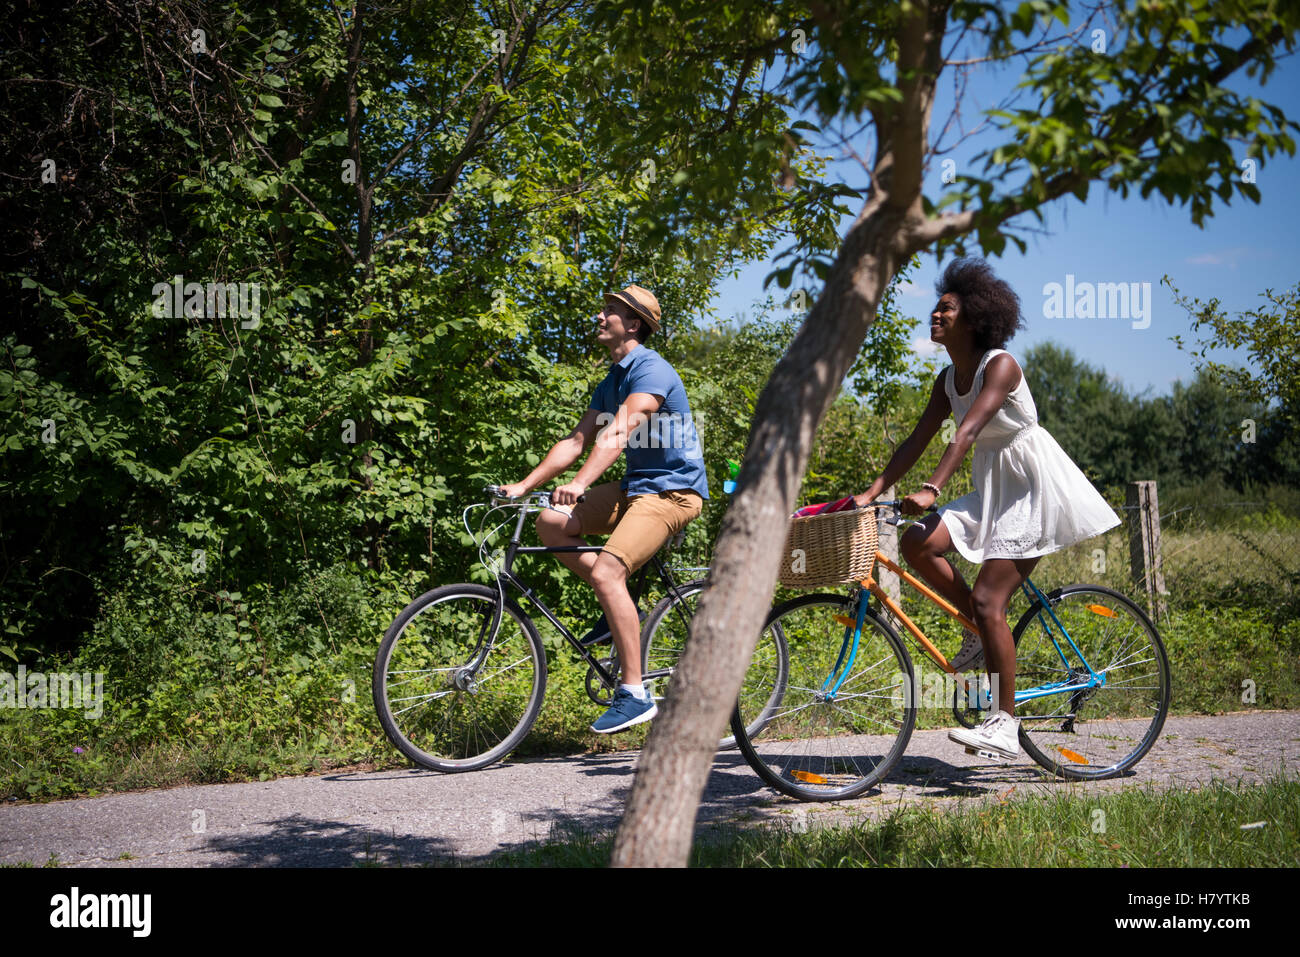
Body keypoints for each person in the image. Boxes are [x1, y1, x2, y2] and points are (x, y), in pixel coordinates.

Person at [853, 258, 1119, 759]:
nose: (935, 315)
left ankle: (1005, 724)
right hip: (993, 487)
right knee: (917, 541)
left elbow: (969, 430)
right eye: (935, 308)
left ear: (975, 317)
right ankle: (977, 631)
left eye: (946, 309)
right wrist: (872, 492)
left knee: (989, 600)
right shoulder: (947, 378)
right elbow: (916, 438)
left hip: (1033, 490)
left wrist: (932, 487)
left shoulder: (1001, 364)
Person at [500, 285, 708, 733]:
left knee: (606, 572)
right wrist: (524, 485)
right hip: (636, 488)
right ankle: (620, 607)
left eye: (609, 311)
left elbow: (618, 432)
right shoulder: (612, 379)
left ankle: (634, 694)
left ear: (633, 324)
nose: (600, 316)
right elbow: (577, 441)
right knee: (551, 521)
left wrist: (578, 484)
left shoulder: (652, 370)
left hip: (673, 492)